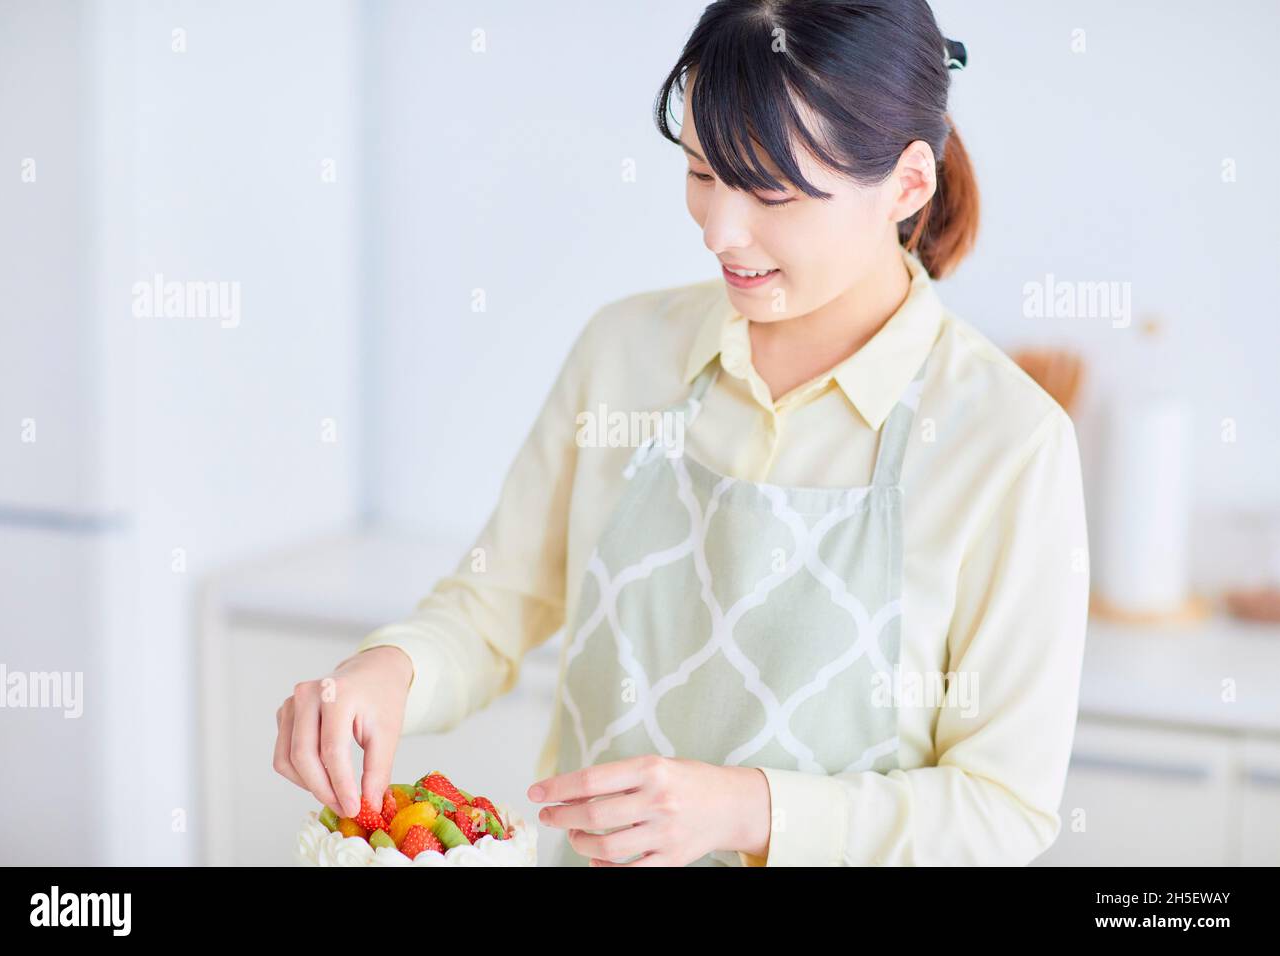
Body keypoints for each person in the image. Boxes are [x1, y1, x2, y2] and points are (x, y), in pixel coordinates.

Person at [273, 0, 1089, 866]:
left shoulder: (1007, 444)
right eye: (702, 172)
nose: (718, 230)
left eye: (770, 190)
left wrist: (753, 812)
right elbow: (494, 605)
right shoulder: (625, 352)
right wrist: (388, 672)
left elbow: (1003, 809)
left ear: (909, 183)